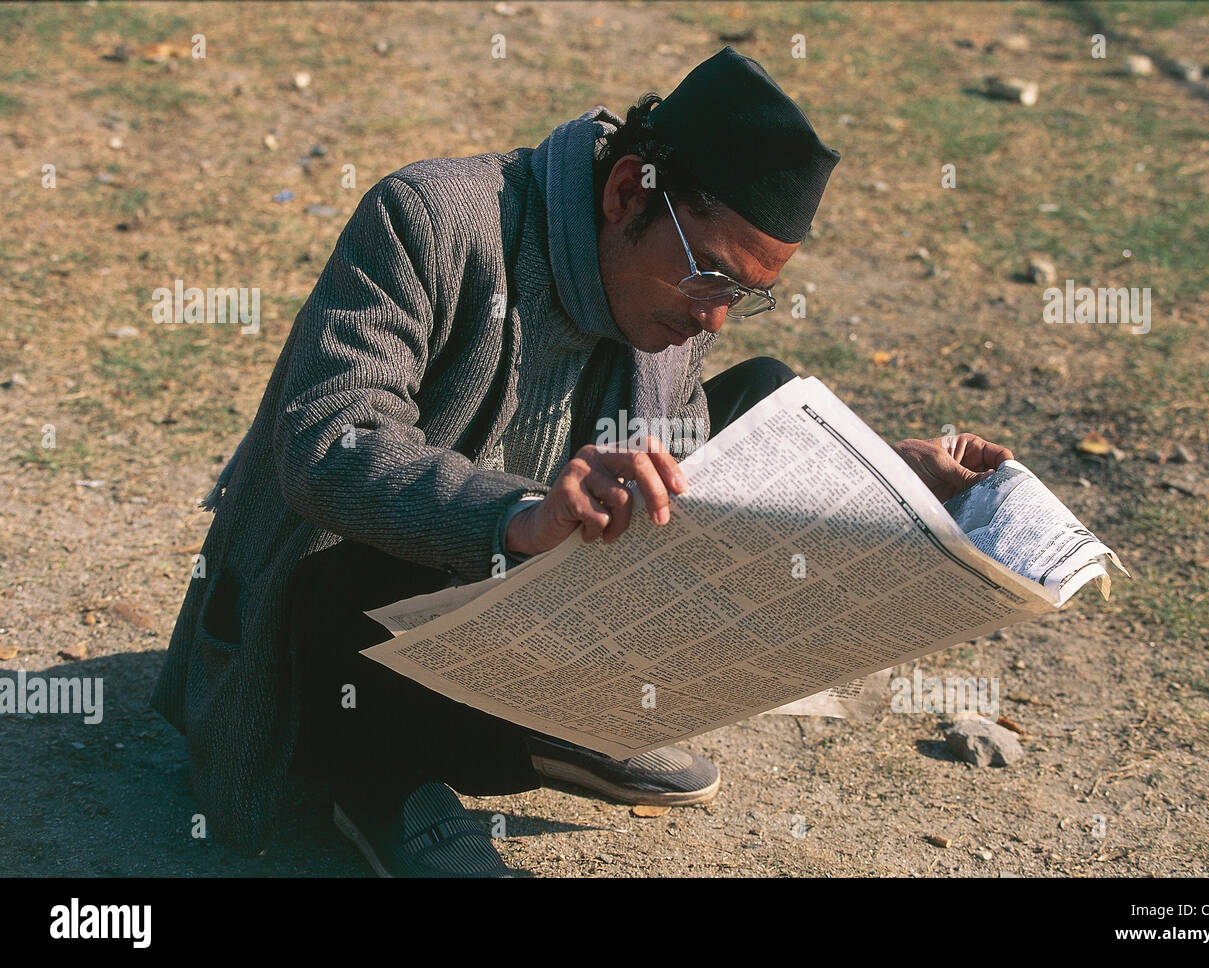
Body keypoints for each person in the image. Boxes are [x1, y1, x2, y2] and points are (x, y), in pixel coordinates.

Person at [149, 46, 1011, 877]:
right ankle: (385, 779)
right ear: (628, 192)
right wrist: (519, 516)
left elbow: (681, 448)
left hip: (510, 611)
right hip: (339, 618)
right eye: (713, 280)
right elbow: (329, 445)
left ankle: (566, 721)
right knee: (390, 532)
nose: (714, 319)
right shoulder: (428, 218)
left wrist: (879, 475)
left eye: (745, 296)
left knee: (770, 401)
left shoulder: (673, 292)